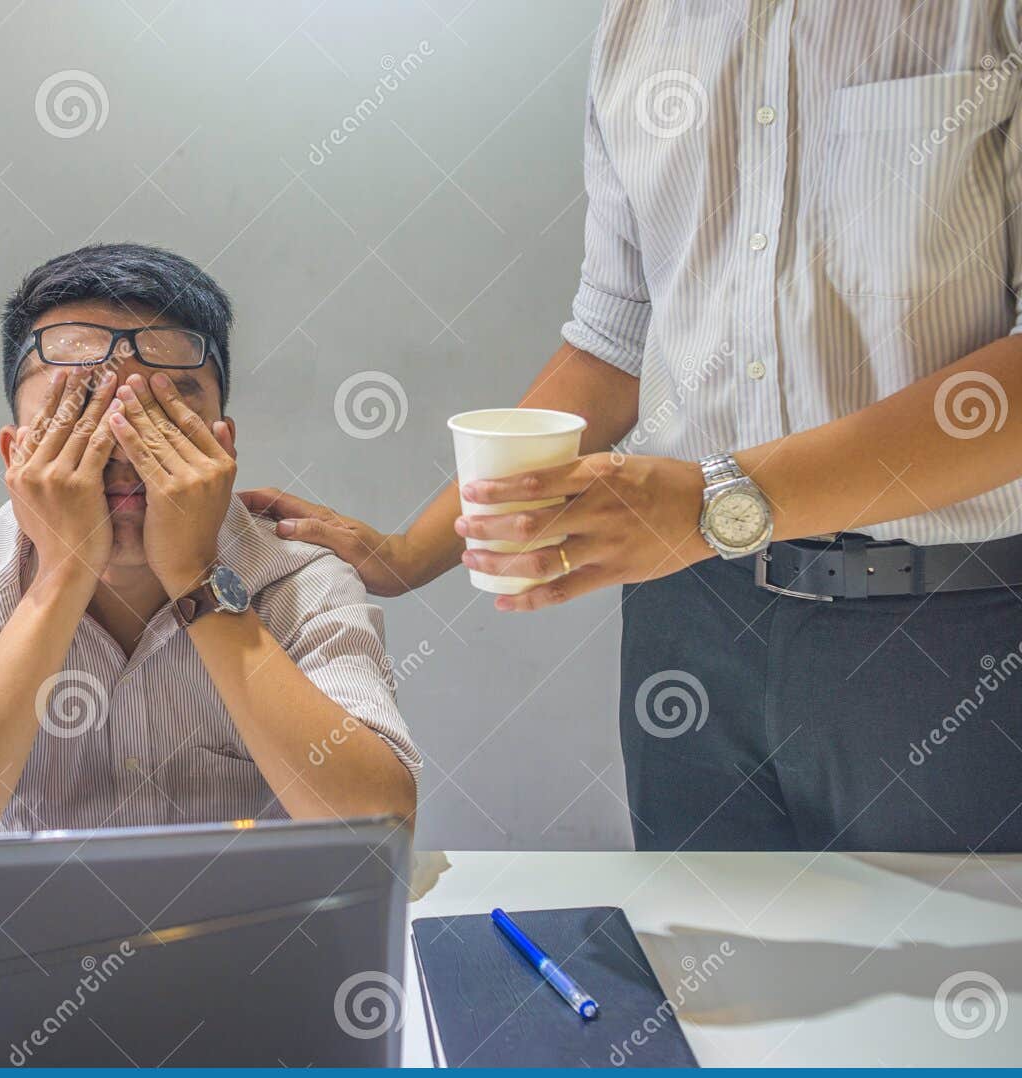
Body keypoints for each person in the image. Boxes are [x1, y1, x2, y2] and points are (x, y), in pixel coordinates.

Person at [246, 1, 1022, 853]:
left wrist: (712, 499)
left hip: (951, 628)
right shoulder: (637, 24)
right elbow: (617, 340)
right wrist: (410, 552)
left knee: (965, 972)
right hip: (690, 624)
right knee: (710, 982)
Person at [0, 243, 419, 841]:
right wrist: (60, 577)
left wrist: (198, 579)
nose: (122, 449)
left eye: (160, 413)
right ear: (16, 454)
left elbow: (380, 830)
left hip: (255, 930)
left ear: (222, 447)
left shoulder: (299, 577)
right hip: (27, 931)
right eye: (79, 415)